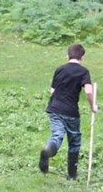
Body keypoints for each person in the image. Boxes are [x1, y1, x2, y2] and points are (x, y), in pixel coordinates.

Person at [40, 42, 97, 180]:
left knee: (57, 134)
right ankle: (72, 175)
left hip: (55, 108)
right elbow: (88, 91)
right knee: (74, 141)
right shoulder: (83, 72)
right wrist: (92, 105)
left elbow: (52, 90)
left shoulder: (59, 69)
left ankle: (48, 150)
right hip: (71, 111)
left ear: (67, 56)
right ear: (82, 58)